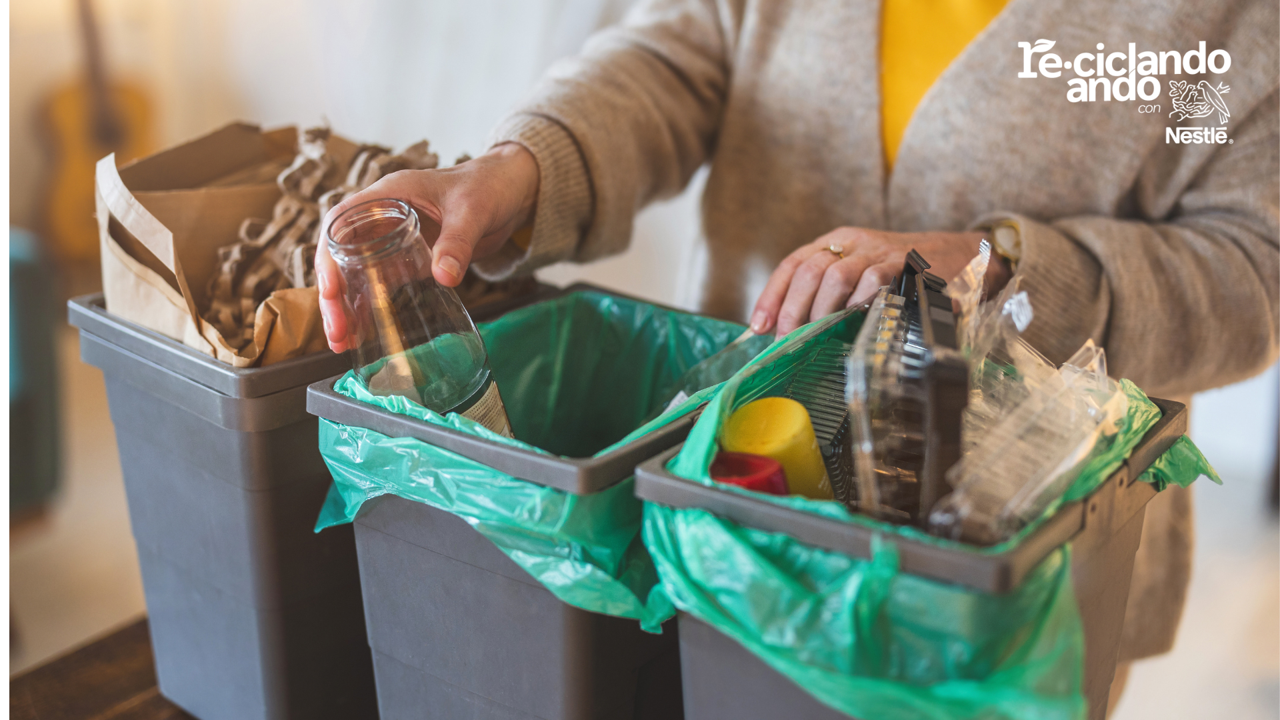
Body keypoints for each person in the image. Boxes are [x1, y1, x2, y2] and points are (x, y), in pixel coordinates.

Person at [316, 0, 1279, 707]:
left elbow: (1250, 263)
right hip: (730, 496)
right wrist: (516, 170)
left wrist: (1005, 268)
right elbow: (683, 49)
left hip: (1010, 564)